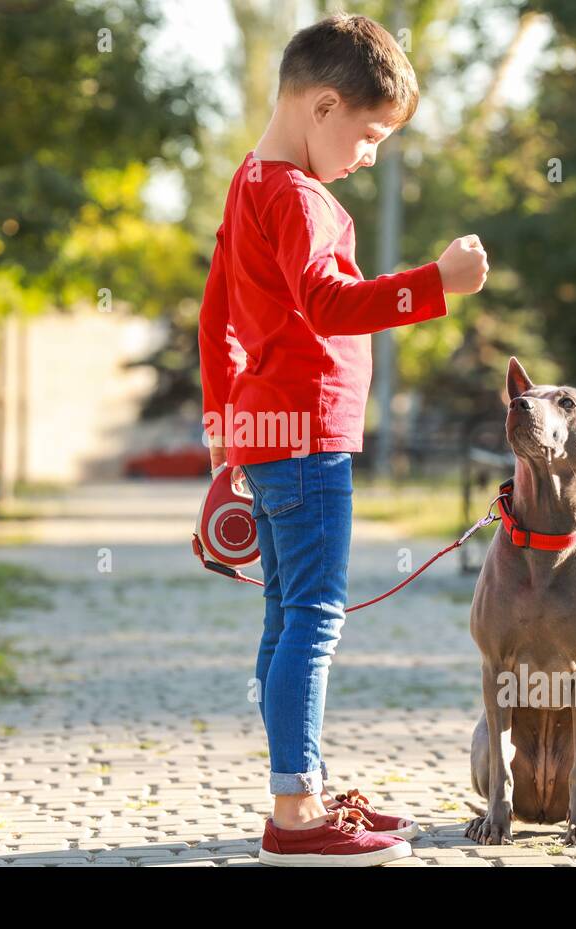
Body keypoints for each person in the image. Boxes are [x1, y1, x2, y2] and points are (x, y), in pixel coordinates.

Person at [198, 12, 489, 866]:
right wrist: (435, 284)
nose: (370, 155)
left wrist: (224, 431)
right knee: (316, 618)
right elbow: (326, 304)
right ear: (323, 106)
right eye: (369, 134)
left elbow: (217, 311)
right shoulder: (301, 198)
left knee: (287, 614)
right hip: (309, 433)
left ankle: (306, 788)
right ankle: (295, 814)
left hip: (263, 428)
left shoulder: (248, 183)